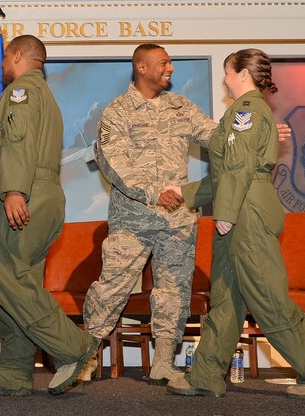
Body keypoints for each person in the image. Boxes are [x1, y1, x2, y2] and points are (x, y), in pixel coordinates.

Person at [165, 49, 305, 400]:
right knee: (226, 298)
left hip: (245, 213)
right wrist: (183, 193)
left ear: (244, 74)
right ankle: (206, 375)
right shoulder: (246, 112)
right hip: (240, 207)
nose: (225, 79)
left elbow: (238, 169)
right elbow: (226, 173)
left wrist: (226, 214)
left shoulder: (245, 112)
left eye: (228, 73)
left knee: (267, 297)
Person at [0, 34, 100, 397]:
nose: (1, 65)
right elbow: (32, 153)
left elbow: (19, 143)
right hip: (41, 195)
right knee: (15, 284)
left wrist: (13, 190)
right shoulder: (46, 96)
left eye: (4, 57)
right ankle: (13, 371)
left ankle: (73, 346)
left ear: (17, 56)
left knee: (6, 277)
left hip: (24, 196)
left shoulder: (20, 92)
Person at [80, 44, 214, 385]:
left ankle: (164, 363)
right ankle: (83, 357)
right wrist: (154, 193)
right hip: (133, 221)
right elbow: (113, 162)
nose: (170, 68)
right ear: (142, 67)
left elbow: (215, 135)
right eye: (163, 62)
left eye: (170, 62)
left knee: (174, 290)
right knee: (111, 289)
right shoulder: (118, 111)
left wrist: (253, 134)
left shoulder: (181, 107)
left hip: (177, 221)